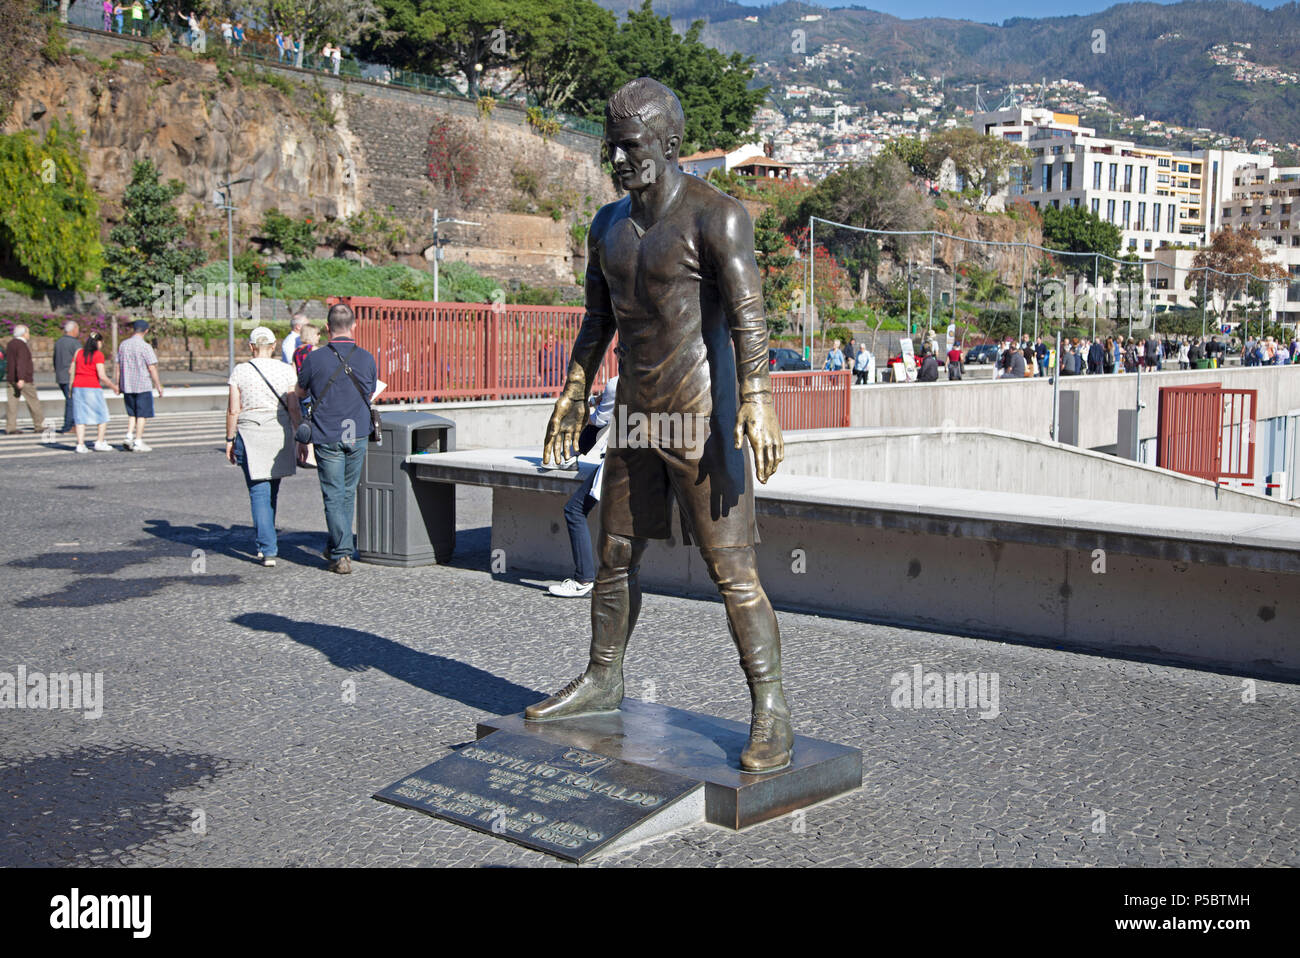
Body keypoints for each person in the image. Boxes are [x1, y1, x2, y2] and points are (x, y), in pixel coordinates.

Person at [531, 77, 792, 773]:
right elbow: (598, 319)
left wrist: (759, 397)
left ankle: (772, 709)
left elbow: (749, 317)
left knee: (730, 570)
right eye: (610, 145)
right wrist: (574, 388)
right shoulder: (605, 225)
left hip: (705, 419)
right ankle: (602, 678)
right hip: (637, 417)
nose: (618, 157)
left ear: (671, 145)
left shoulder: (719, 215)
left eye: (632, 144)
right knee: (614, 554)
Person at [296, 303, 377, 574]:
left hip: (326, 431)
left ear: (328, 328)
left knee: (333, 494)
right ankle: (336, 548)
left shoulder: (314, 358)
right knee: (346, 492)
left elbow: (299, 391)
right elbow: (371, 390)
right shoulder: (366, 358)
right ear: (354, 326)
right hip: (356, 432)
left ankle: (341, 553)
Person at [227, 327, 301, 567]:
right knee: (272, 489)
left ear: (251, 347)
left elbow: (233, 409)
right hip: (278, 431)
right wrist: (300, 434)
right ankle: (267, 542)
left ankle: (267, 548)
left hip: (250, 432)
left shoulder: (240, 371)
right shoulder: (285, 370)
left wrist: (229, 439)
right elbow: (293, 407)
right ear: (273, 346)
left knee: (258, 490)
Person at [551, 376, 618, 598]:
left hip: (624, 462)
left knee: (574, 510)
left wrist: (573, 452)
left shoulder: (619, 382)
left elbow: (599, 423)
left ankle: (584, 579)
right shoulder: (663, 375)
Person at [117, 319, 164, 451]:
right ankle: (138, 440)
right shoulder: (145, 346)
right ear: (146, 331)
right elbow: (152, 367)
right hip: (142, 385)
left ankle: (128, 436)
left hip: (127, 384)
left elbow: (118, 366)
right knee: (142, 414)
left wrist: (118, 383)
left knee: (132, 413)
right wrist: (158, 385)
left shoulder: (123, 345)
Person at [69, 332, 118, 453]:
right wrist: (113, 387)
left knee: (80, 416)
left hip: (77, 386)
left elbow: (71, 370)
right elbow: (102, 375)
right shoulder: (98, 355)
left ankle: (80, 444)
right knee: (102, 415)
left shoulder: (78, 353)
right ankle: (99, 442)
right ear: (98, 342)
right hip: (92, 386)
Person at [5, 325, 47, 436]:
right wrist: (21, 378)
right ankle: (39, 425)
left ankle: (10, 427)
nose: (29, 334)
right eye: (28, 332)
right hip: (23, 379)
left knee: (12, 404)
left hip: (11, 378)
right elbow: (21, 363)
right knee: (33, 402)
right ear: (23, 334)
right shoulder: (22, 346)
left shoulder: (10, 344)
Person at [53, 319, 82, 434]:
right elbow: (80, 360)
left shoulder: (58, 342)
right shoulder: (75, 344)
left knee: (70, 400)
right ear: (74, 330)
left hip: (60, 376)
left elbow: (54, 360)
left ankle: (71, 424)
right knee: (72, 401)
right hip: (71, 376)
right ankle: (69, 426)